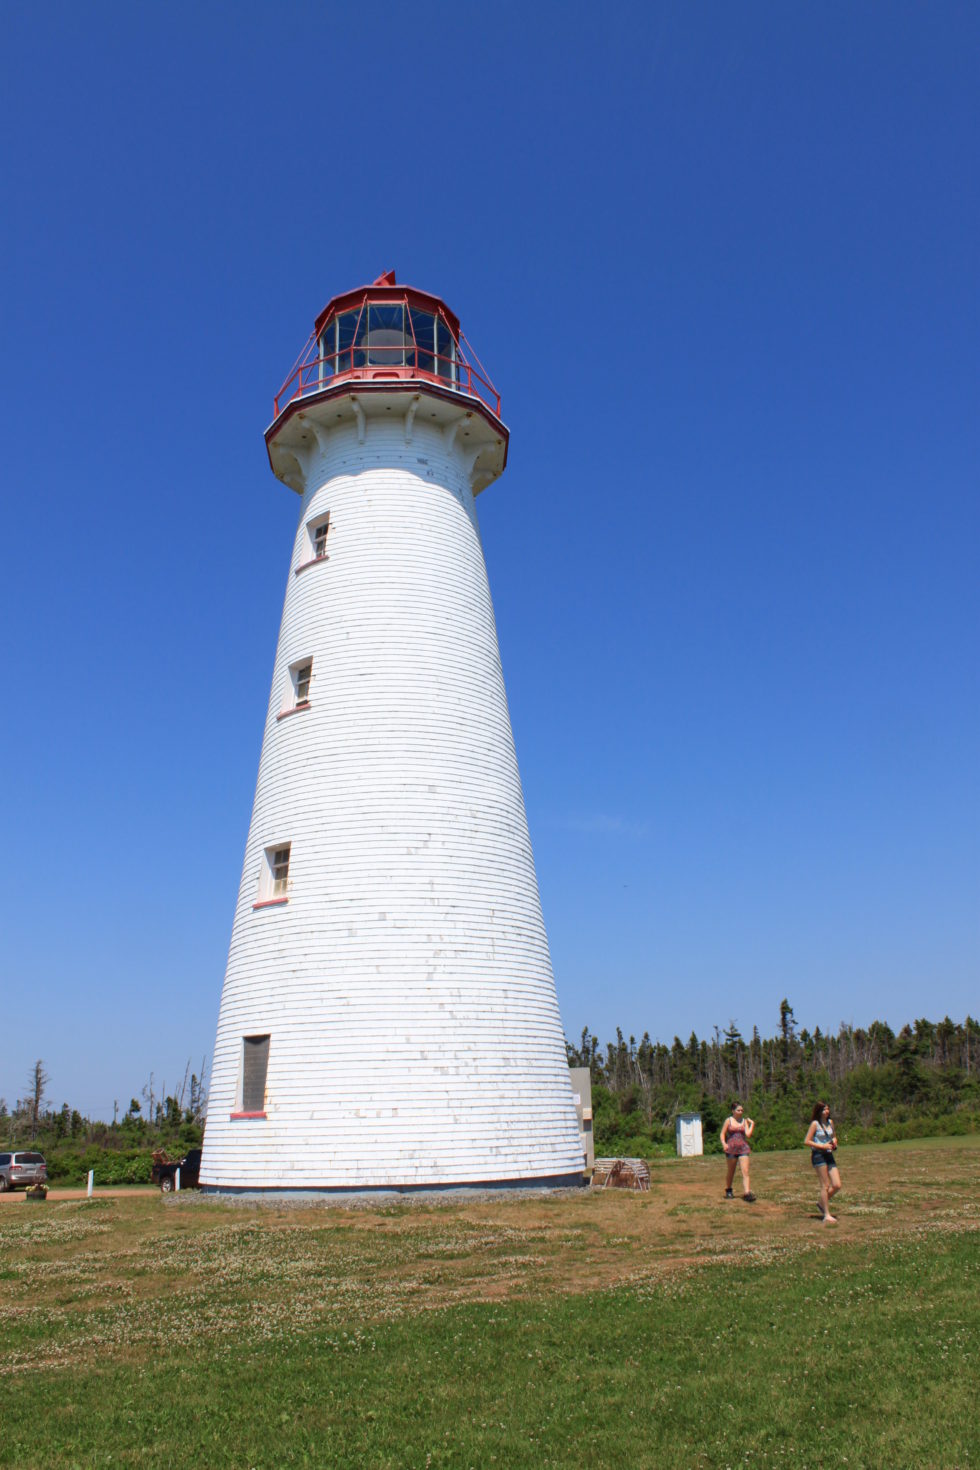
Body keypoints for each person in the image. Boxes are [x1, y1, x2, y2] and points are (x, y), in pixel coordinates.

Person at [804, 1101, 842, 1223]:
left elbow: (834, 1136)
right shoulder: (815, 1124)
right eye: (824, 1109)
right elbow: (807, 1141)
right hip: (818, 1155)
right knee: (825, 1185)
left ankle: (821, 1203)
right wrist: (822, 1146)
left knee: (837, 1184)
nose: (827, 1111)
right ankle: (826, 1214)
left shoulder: (830, 1122)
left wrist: (834, 1142)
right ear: (819, 1111)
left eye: (828, 1109)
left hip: (829, 1154)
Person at [720, 1103, 756, 1201]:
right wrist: (724, 1144)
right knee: (731, 1171)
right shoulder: (728, 1120)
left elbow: (748, 1134)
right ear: (733, 1111)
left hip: (743, 1148)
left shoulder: (744, 1121)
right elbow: (722, 1134)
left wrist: (752, 1124)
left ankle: (747, 1193)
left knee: (745, 1171)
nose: (740, 1112)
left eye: (741, 1110)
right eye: (738, 1110)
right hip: (731, 1148)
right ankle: (728, 1190)